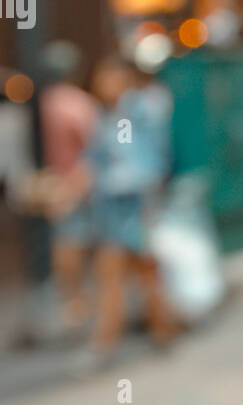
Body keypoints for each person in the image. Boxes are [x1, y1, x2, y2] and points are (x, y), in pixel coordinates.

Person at [75, 56, 178, 367]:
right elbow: (95, 160)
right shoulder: (106, 115)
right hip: (112, 209)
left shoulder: (140, 111)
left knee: (129, 274)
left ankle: (109, 343)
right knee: (134, 275)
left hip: (135, 208)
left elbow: (152, 162)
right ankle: (160, 331)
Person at [38, 41, 99, 329]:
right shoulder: (77, 103)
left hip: (57, 182)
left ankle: (75, 300)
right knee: (77, 243)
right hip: (78, 181)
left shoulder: (44, 103)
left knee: (65, 242)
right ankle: (79, 303)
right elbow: (93, 146)